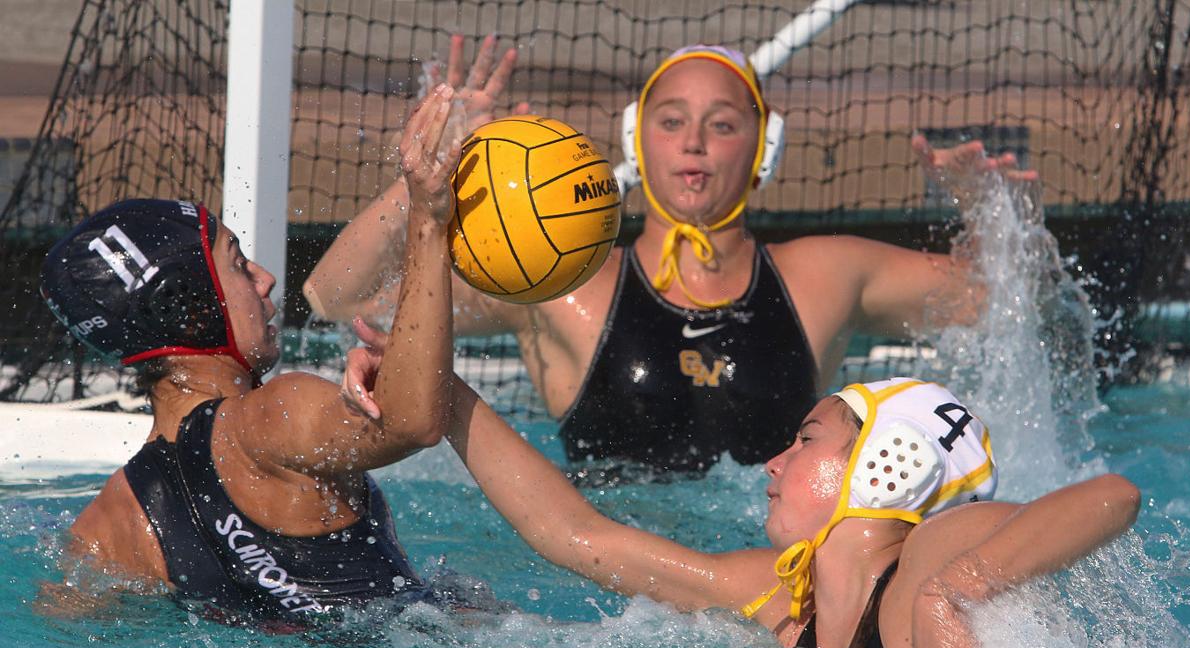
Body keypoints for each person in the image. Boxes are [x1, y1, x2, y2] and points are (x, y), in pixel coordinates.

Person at [303, 42, 1039, 474]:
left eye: (722, 124)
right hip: (610, 612)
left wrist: (983, 204)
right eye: (672, 121)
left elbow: (997, 300)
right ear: (636, 139)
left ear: (763, 148)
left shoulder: (823, 275)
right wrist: (425, 179)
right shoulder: (560, 286)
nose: (693, 142)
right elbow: (338, 298)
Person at [431, 371, 1139, 648]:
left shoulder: (928, 556)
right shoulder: (778, 596)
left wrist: (950, 592)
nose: (774, 461)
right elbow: (579, 535)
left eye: (806, 438)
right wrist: (444, 394)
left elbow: (1113, 496)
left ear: (892, 462)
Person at [37, 84, 462, 620]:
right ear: (188, 308)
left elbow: (64, 636)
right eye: (237, 263)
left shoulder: (109, 523)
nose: (265, 279)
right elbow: (414, 423)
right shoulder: (273, 416)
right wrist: (430, 220)